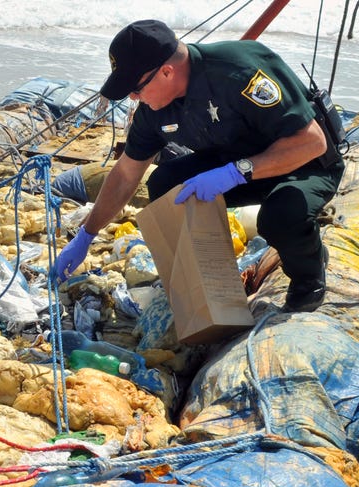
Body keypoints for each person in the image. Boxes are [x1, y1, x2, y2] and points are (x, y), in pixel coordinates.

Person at [53, 19, 344, 313]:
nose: (133, 97)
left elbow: (312, 142)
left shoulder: (238, 72)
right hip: (236, 163)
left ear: (166, 71)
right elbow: (126, 172)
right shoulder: (154, 110)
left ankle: (310, 273)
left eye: (137, 88)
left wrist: (234, 172)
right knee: (165, 186)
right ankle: (210, 285)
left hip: (305, 164)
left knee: (280, 217)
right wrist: (86, 234)